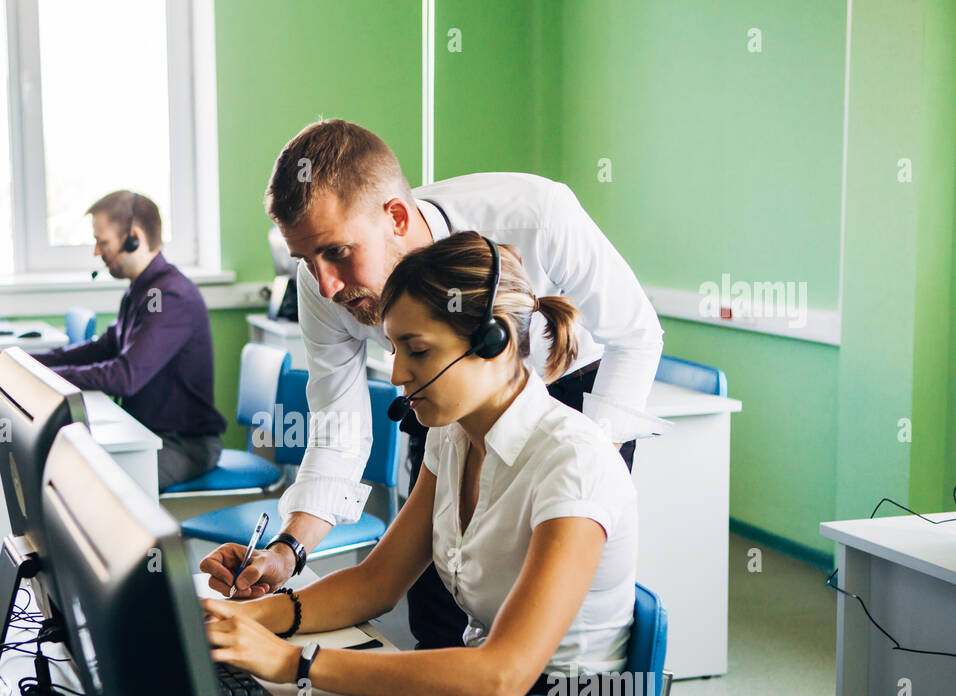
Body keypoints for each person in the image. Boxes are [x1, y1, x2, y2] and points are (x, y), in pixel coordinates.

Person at [199, 120, 662, 652]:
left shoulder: (535, 215)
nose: (324, 284)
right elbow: (339, 432)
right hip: (448, 404)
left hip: (571, 392)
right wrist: (286, 551)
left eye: (336, 253)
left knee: (538, 618)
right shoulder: (327, 289)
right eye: (306, 260)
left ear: (396, 216)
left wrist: (583, 461)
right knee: (439, 612)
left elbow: (636, 335)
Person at [203, 232, 637, 696]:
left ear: (492, 340)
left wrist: (291, 662)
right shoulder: (452, 437)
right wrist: (239, 620)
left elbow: (502, 678)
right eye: (393, 348)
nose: (398, 374)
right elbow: (375, 584)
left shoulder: (574, 461)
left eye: (417, 350)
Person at [0, 190, 226, 489]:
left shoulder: (170, 297)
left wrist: (37, 376)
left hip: (182, 445)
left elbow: (124, 376)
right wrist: (23, 362)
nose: (96, 252)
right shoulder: (141, 290)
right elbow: (101, 348)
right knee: (65, 464)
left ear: (134, 238)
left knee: (83, 485)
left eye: (102, 242)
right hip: (147, 434)